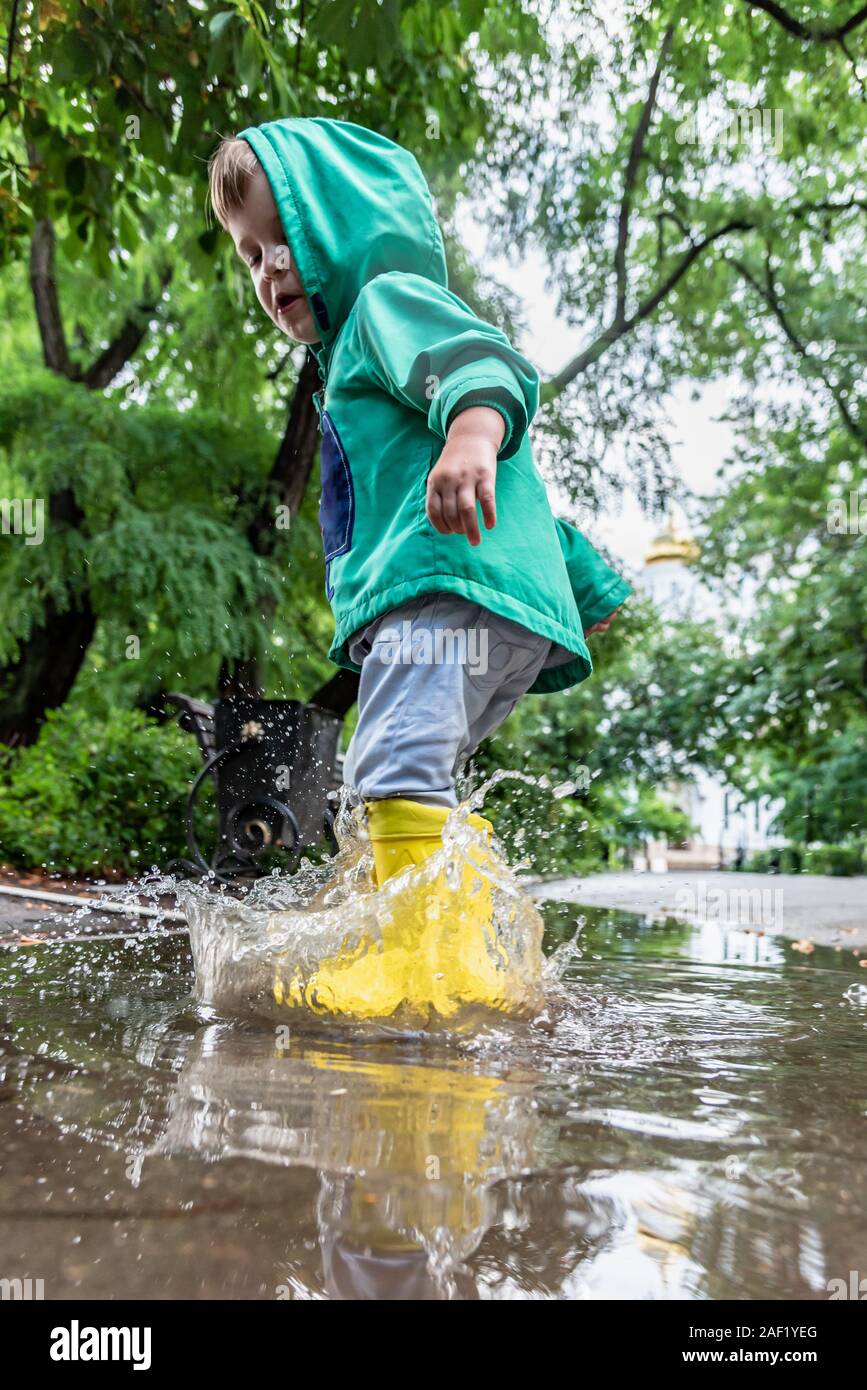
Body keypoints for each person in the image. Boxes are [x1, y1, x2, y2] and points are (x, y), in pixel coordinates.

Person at [208, 117, 631, 1018]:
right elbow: (522, 508)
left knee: (389, 769)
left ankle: (411, 966)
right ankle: (473, 957)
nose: (269, 269)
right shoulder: (357, 358)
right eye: (250, 255)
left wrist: (472, 430)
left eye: (286, 239)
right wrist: (581, 592)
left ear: (348, 229)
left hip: (441, 600)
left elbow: (484, 365)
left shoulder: (384, 306)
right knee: (414, 779)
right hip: (491, 613)